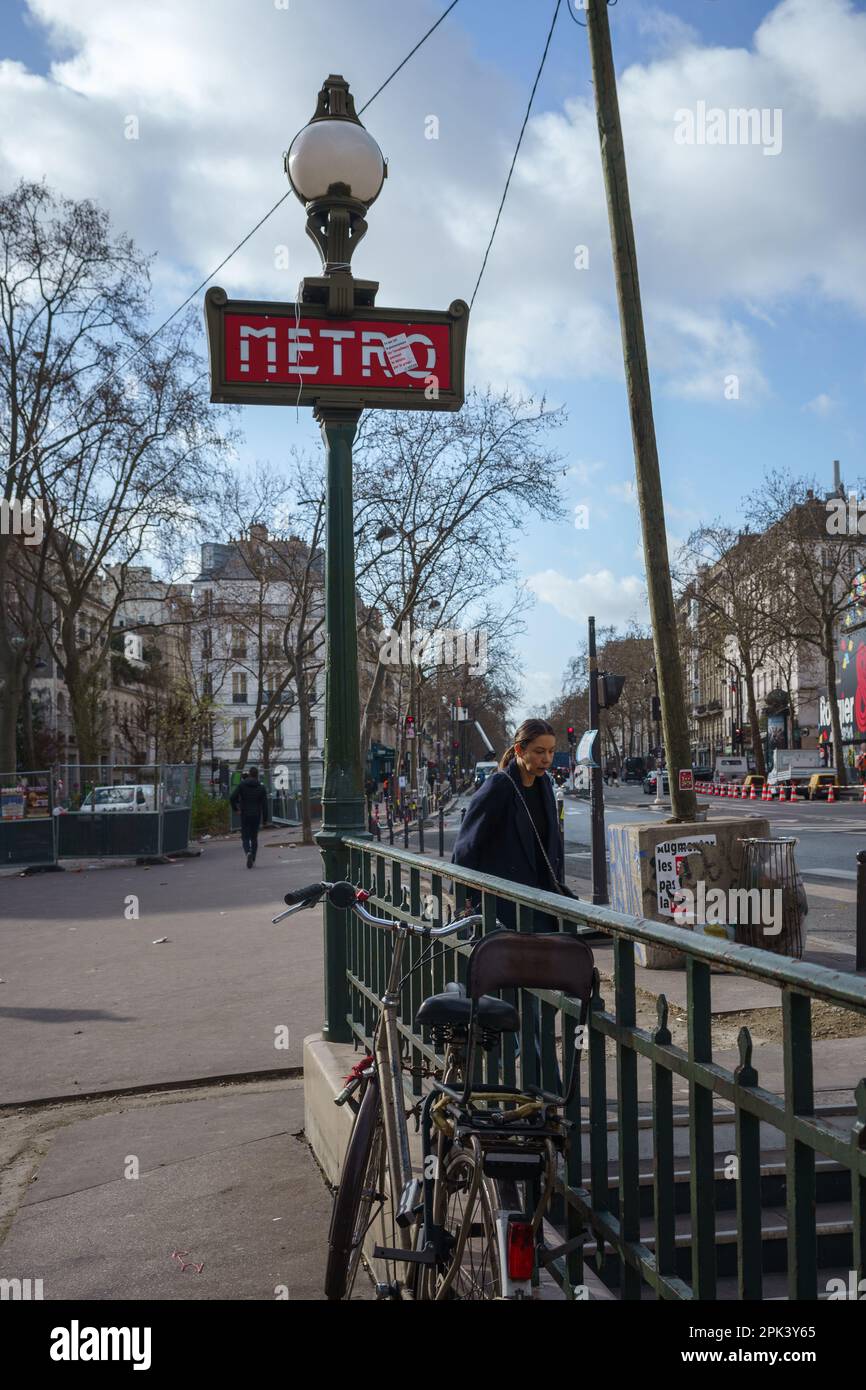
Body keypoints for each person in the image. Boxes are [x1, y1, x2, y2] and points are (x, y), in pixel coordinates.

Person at [452, 718, 565, 933]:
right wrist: (463, 898)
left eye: (551, 751)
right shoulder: (499, 786)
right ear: (520, 750)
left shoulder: (544, 786)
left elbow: (551, 842)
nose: (547, 759)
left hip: (542, 903)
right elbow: (467, 846)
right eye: (540, 751)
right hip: (505, 905)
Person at [230, 766, 270, 869]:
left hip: (245, 814)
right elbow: (265, 805)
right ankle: (253, 858)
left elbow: (232, 797)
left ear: (249, 774)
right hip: (256, 815)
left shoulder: (242, 785)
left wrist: (235, 809)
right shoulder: (261, 787)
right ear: (257, 775)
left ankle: (248, 852)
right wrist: (265, 820)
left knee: (245, 837)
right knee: (254, 837)